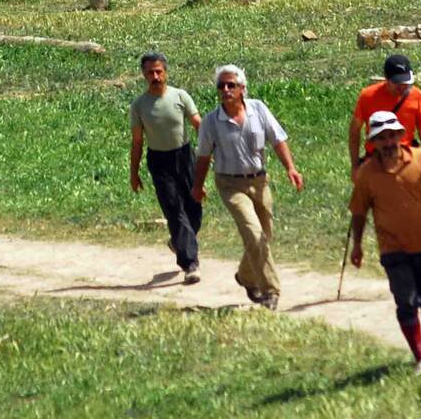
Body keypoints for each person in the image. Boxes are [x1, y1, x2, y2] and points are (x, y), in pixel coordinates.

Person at [349, 111, 421, 374]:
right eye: (380, 138)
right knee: (406, 301)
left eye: (391, 136)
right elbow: (359, 212)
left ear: (400, 136)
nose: (387, 143)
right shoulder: (366, 174)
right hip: (393, 249)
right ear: (372, 142)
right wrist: (358, 245)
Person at [193, 64, 305, 310]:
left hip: (259, 181)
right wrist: (197, 186)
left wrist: (290, 168)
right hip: (230, 184)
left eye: (231, 85)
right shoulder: (211, 122)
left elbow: (277, 139)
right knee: (253, 234)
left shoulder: (258, 109)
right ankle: (270, 290)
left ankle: (246, 276)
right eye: (221, 86)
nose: (225, 90)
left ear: (242, 89)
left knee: (265, 235)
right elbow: (203, 157)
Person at [129, 52, 204, 285]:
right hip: (159, 162)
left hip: (184, 156)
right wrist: (134, 172)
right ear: (143, 74)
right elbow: (138, 141)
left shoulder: (180, 96)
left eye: (159, 71)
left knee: (194, 209)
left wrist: (208, 154)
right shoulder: (139, 105)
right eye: (150, 72)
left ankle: (177, 242)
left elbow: (198, 124)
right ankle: (190, 264)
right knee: (174, 210)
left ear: (166, 72)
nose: (155, 76)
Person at [350, 54, 421, 175]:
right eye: (397, 83)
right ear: (386, 78)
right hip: (377, 157)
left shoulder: (417, 96)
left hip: (407, 157)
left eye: (405, 82)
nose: (402, 86)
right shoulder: (367, 96)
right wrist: (355, 165)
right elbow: (355, 131)